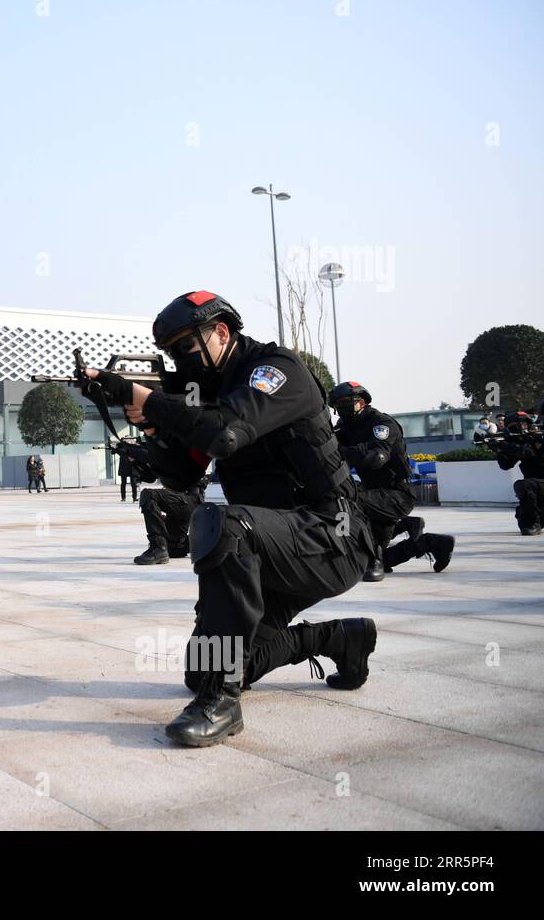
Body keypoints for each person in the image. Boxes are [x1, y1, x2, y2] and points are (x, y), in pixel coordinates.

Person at [85, 291, 378, 747]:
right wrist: (150, 422)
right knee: (202, 667)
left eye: (186, 346)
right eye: (171, 351)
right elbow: (181, 473)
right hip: (275, 550)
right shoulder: (210, 393)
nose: (181, 359)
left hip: (332, 537)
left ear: (221, 332)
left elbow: (224, 431)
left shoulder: (276, 370)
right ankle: (340, 639)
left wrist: (148, 397)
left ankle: (221, 704)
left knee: (221, 522)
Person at [329, 381, 454, 579]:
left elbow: (376, 458)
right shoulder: (346, 428)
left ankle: (376, 558)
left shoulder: (381, 424)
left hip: (396, 494)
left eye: (346, 402)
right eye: (337, 404)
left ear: (361, 402)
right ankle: (432, 543)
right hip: (374, 495)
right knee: (367, 558)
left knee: (348, 503)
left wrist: (342, 451)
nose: (342, 408)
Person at [130, 443, 207, 565]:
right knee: (173, 548)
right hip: (181, 503)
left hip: (190, 499)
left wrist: (133, 450)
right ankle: (194, 544)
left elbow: (154, 458)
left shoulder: (183, 446)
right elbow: (149, 477)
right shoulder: (169, 450)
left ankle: (158, 548)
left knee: (149, 494)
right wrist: (134, 460)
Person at [495, 412, 544, 535]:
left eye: (523, 423)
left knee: (524, 485)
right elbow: (506, 465)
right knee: (524, 486)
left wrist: (506, 446)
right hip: (537, 488)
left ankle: (533, 524)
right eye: (514, 426)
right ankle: (534, 521)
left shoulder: (538, 437)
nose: (520, 427)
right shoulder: (518, 443)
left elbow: (527, 452)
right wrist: (499, 450)